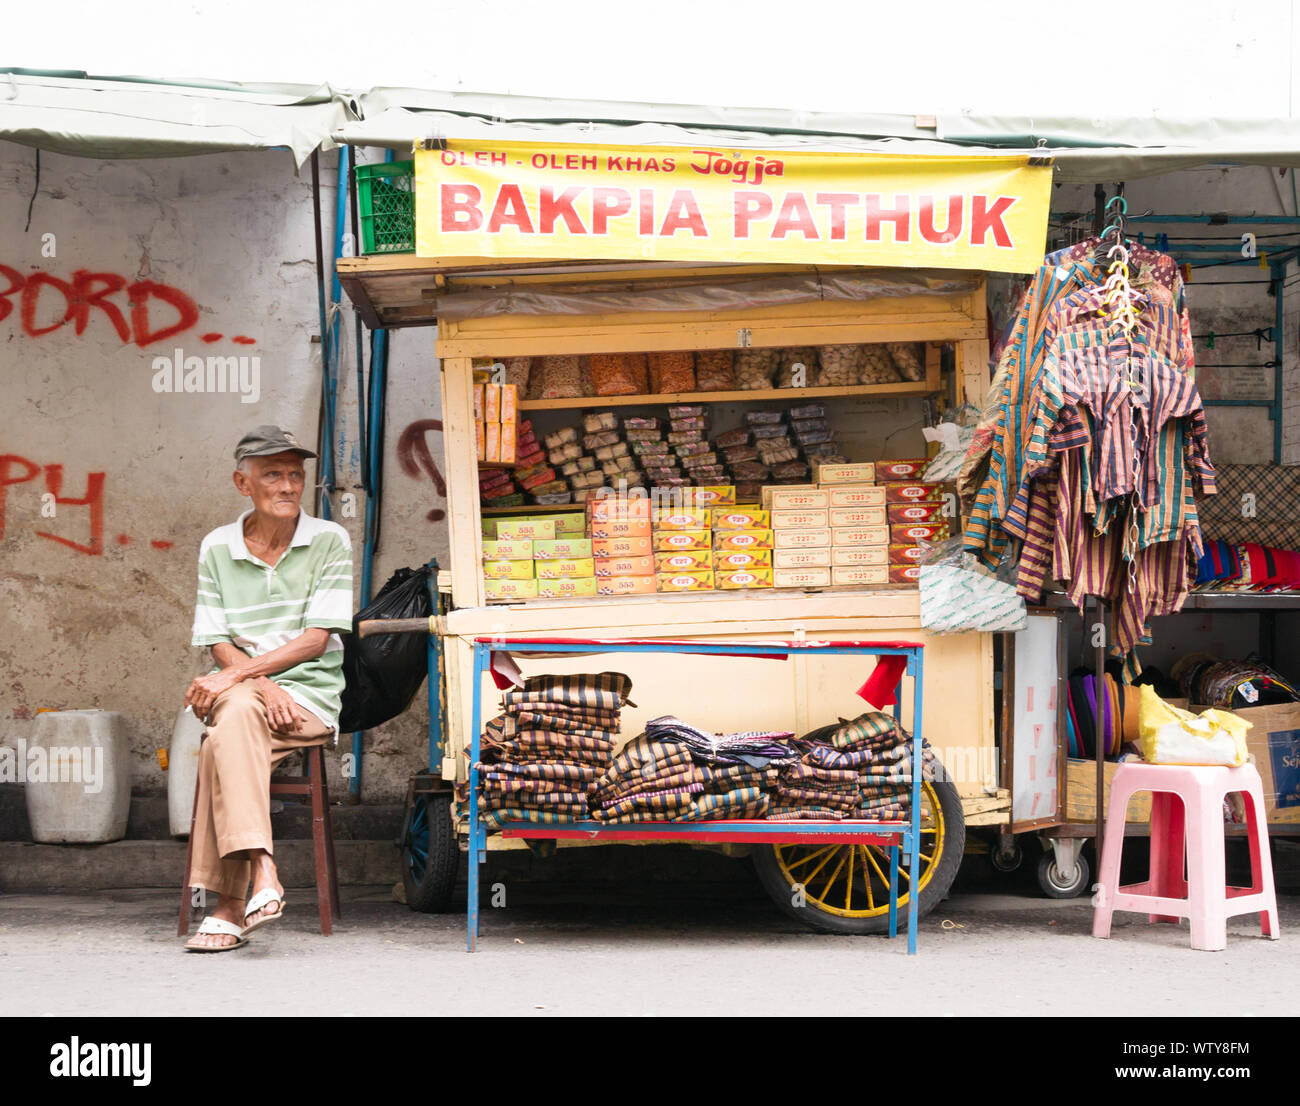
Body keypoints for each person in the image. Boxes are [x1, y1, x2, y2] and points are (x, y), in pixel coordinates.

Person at [181, 426, 353, 951]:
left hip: (310, 698)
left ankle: (231, 904)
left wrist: (247, 677)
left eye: (295, 475)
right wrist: (254, 682)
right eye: (272, 475)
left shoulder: (329, 540)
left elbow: (316, 640)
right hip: (247, 697)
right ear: (243, 483)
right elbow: (218, 641)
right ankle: (264, 874)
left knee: (222, 731)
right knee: (232, 722)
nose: (287, 486)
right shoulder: (216, 547)